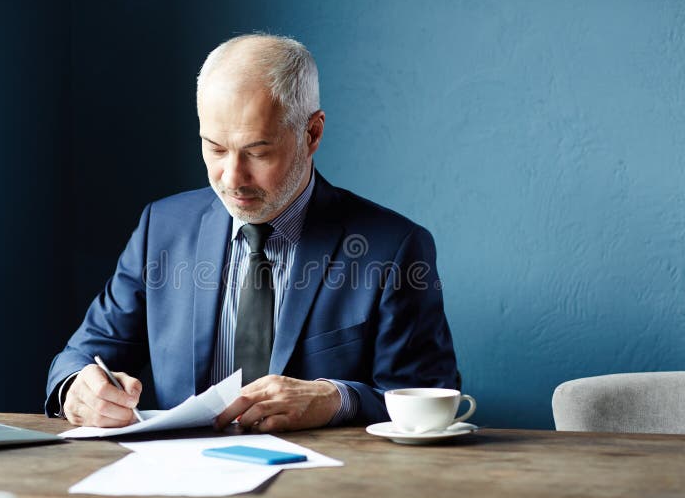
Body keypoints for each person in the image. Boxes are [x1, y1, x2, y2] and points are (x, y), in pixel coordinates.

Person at [45, 33, 459, 432]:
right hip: (179, 482)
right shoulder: (162, 228)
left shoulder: (394, 248)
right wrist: (78, 388)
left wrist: (336, 399)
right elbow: (83, 354)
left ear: (311, 133)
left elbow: (432, 396)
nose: (232, 177)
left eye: (258, 152)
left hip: (324, 490)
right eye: (215, 148)